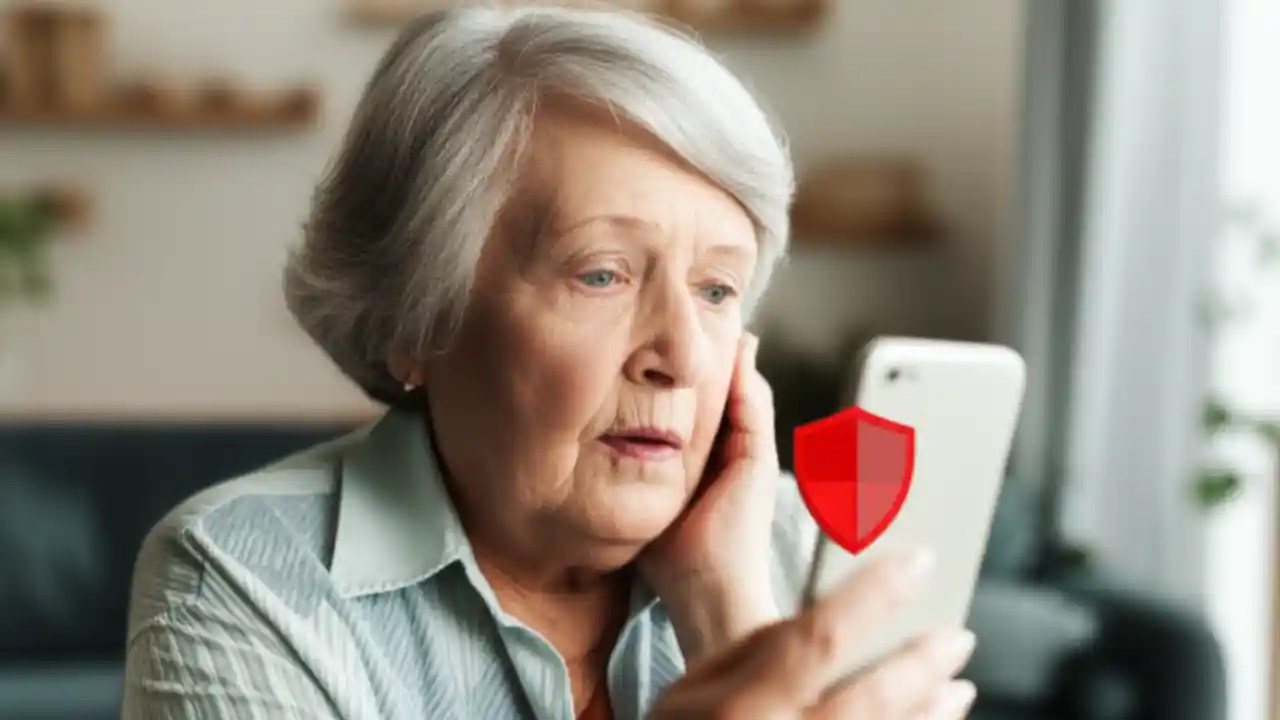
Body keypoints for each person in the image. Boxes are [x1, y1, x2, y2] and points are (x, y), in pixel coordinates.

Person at [121, 6, 977, 719]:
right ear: (418, 318)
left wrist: (730, 622)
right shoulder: (240, 579)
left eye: (718, 291)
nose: (681, 356)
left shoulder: (813, 552)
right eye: (601, 274)